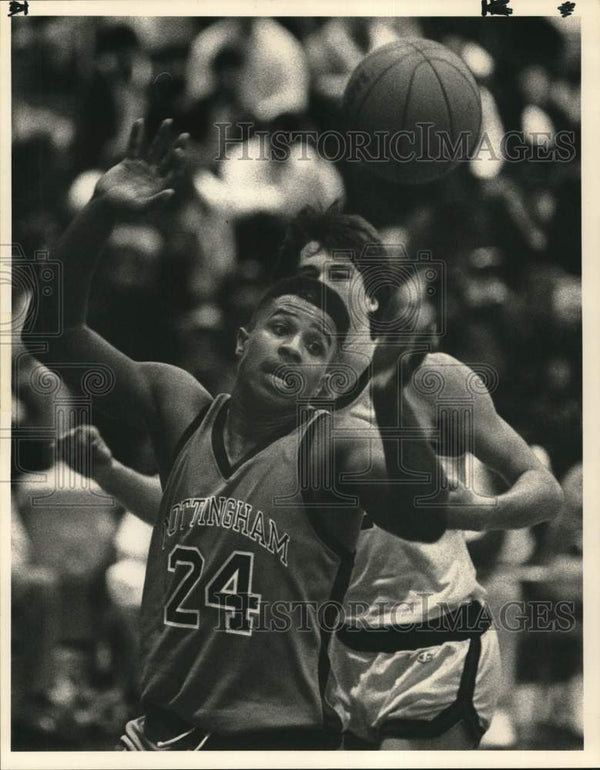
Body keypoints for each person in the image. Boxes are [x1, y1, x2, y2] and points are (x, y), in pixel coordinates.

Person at [29, 119, 447, 751]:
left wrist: (392, 388)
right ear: (244, 337)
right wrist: (100, 212)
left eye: (316, 344)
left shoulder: (335, 443)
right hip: (161, 731)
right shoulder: (180, 406)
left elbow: (424, 512)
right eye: (284, 324)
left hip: (280, 736)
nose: (295, 347)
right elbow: (50, 335)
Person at [269, 205, 564, 750]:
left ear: (374, 296)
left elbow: (545, 490)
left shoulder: (431, 379)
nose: (323, 289)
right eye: (308, 278)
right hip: (336, 657)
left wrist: (481, 510)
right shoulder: (279, 406)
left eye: (340, 274)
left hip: (437, 642)